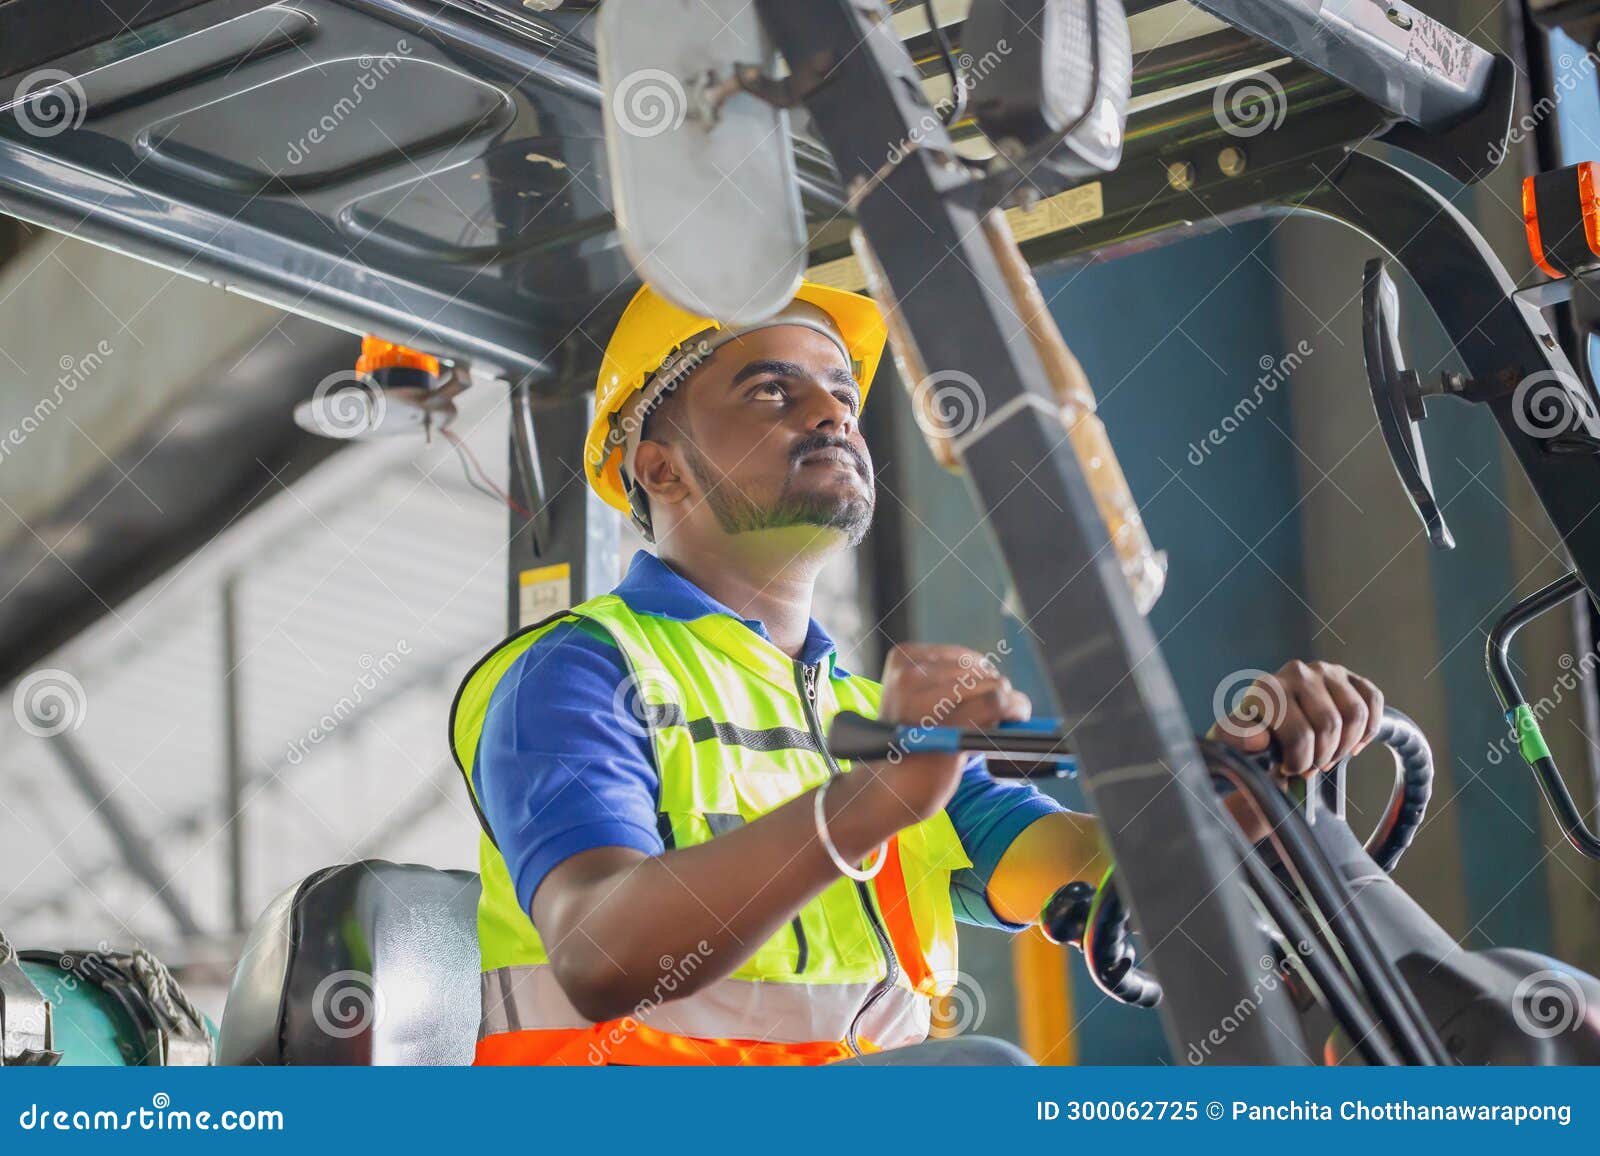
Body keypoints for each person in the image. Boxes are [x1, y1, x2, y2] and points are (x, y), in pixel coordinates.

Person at [449, 281, 1387, 1065]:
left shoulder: (870, 717)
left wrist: (1242, 796)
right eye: (773, 393)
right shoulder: (577, 673)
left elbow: (1087, 875)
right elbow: (600, 955)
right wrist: (863, 808)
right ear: (662, 468)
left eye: (842, 396)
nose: (830, 414)